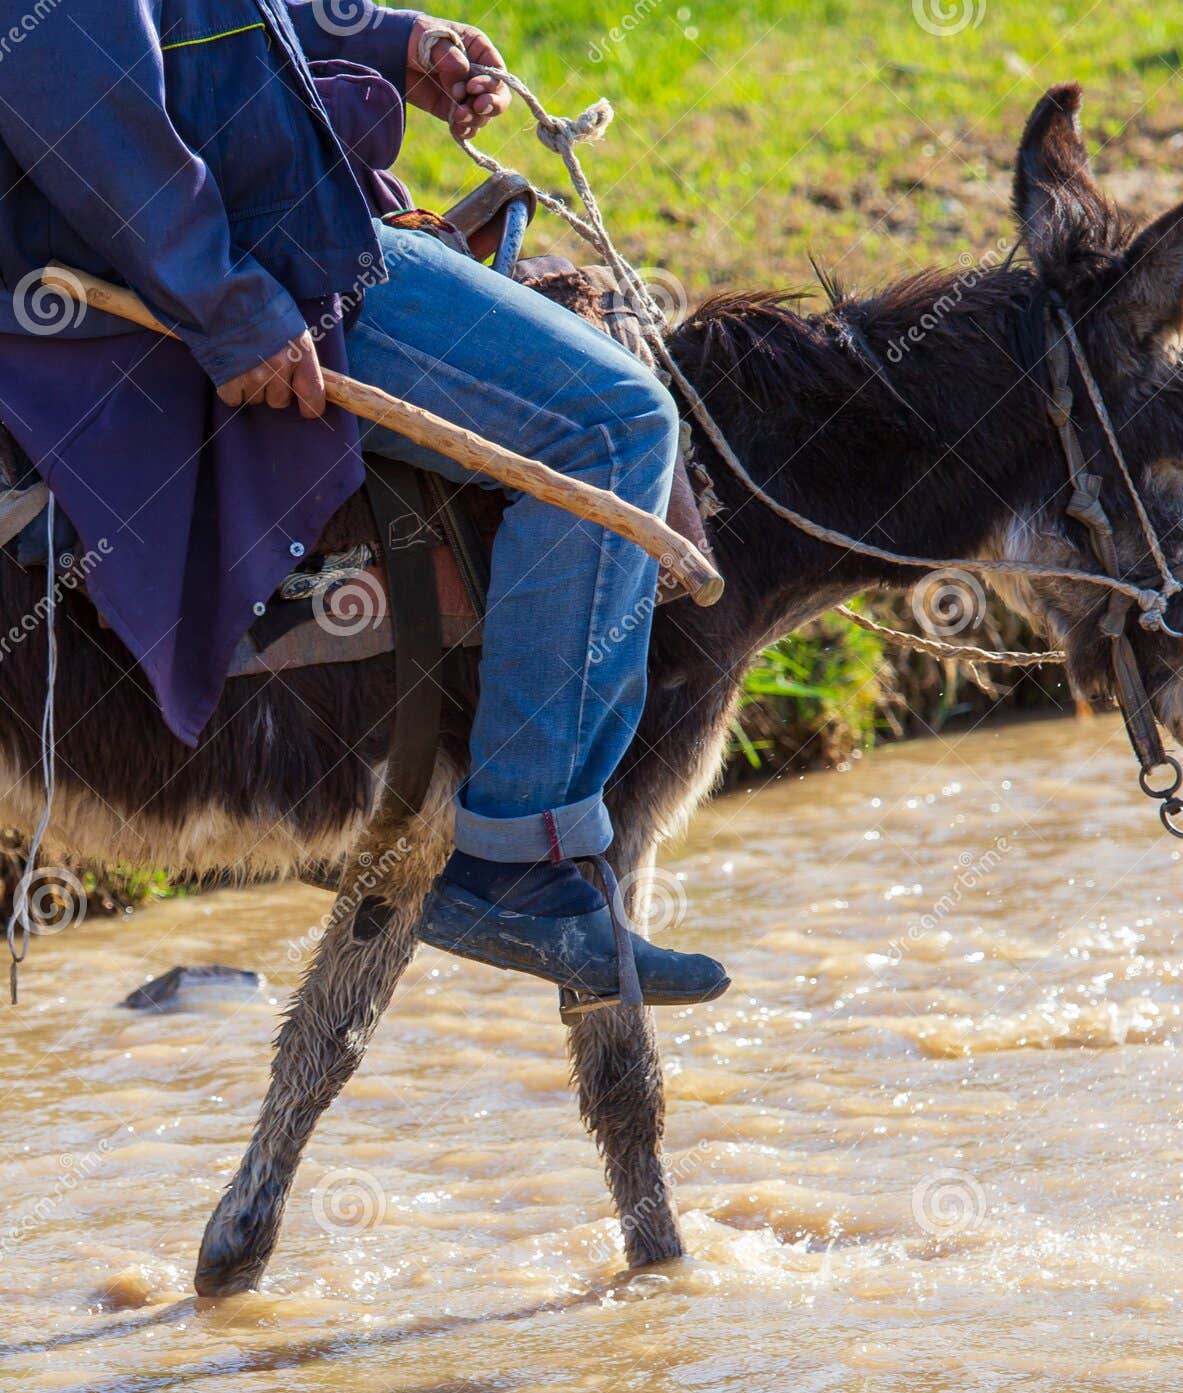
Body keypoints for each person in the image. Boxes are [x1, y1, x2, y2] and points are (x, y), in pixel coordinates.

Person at [0, 0, 727, 1017]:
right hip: (265, 263)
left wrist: (389, 41)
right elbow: (83, 100)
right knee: (615, 425)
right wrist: (228, 306)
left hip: (278, 235)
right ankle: (520, 855)